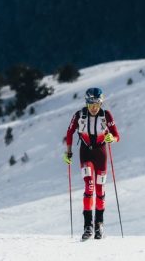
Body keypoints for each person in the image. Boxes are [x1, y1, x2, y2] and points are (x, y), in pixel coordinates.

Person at [63, 86, 120, 241]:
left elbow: (116, 135)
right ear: (87, 103)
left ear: (101, 103)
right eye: (91, 104)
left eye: (97, 104)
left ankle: (99, 225)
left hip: (101, 154)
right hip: (86, 152)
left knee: (100, 190)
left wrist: (111, 139)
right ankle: (88, 226)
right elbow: (69, 133)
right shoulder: (79, 115)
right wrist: (68, 152)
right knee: (89, 186)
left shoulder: (106, 115)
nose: (94, 108)